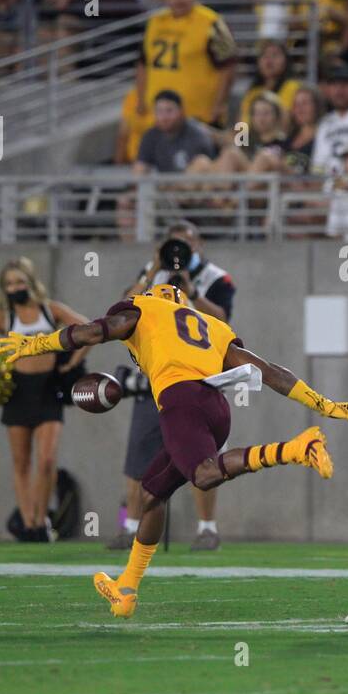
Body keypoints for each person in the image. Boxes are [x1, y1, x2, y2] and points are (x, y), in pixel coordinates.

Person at [0, 284, 348, 619]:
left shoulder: (144, 308)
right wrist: (326, 404)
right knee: (152, 492)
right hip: (216, 408)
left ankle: (292, 449)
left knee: (204, 476)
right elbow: (269, 371)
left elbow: (95, 331)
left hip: (181, 402)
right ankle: (126, 588)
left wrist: (36, 344)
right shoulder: (212, 326)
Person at [110, 222, 238, 551]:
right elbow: (121, 309)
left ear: (199, 244)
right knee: (140, 452)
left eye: (186, 243)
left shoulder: (215, 277)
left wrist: (192, 291)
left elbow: (223, 319)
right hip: (156, 376)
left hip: (198, 376)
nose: (179, 251)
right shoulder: (151, 274)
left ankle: (207, 528)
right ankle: (132, 525)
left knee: (203, 458)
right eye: (173, 245)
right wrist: (154, 267)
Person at [0, 258, 87, 541]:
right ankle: (28, 522)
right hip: (18, 390)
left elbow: (86, 329)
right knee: (21, 462)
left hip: (48, 388)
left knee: (46, 460)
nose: (15, 287)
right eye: (9, 284)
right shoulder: (5, 319)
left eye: (19, 282)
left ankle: (43, 521)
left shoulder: (49, 310)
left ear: (31, 283)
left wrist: (71, 365)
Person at [137, 0, 237, 129]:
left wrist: (219, 104)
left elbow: (228, 67)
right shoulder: (154, 22)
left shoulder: (212, 22)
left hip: (199, 115)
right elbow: (143, 64)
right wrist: (141, 99)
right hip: (159, 114)